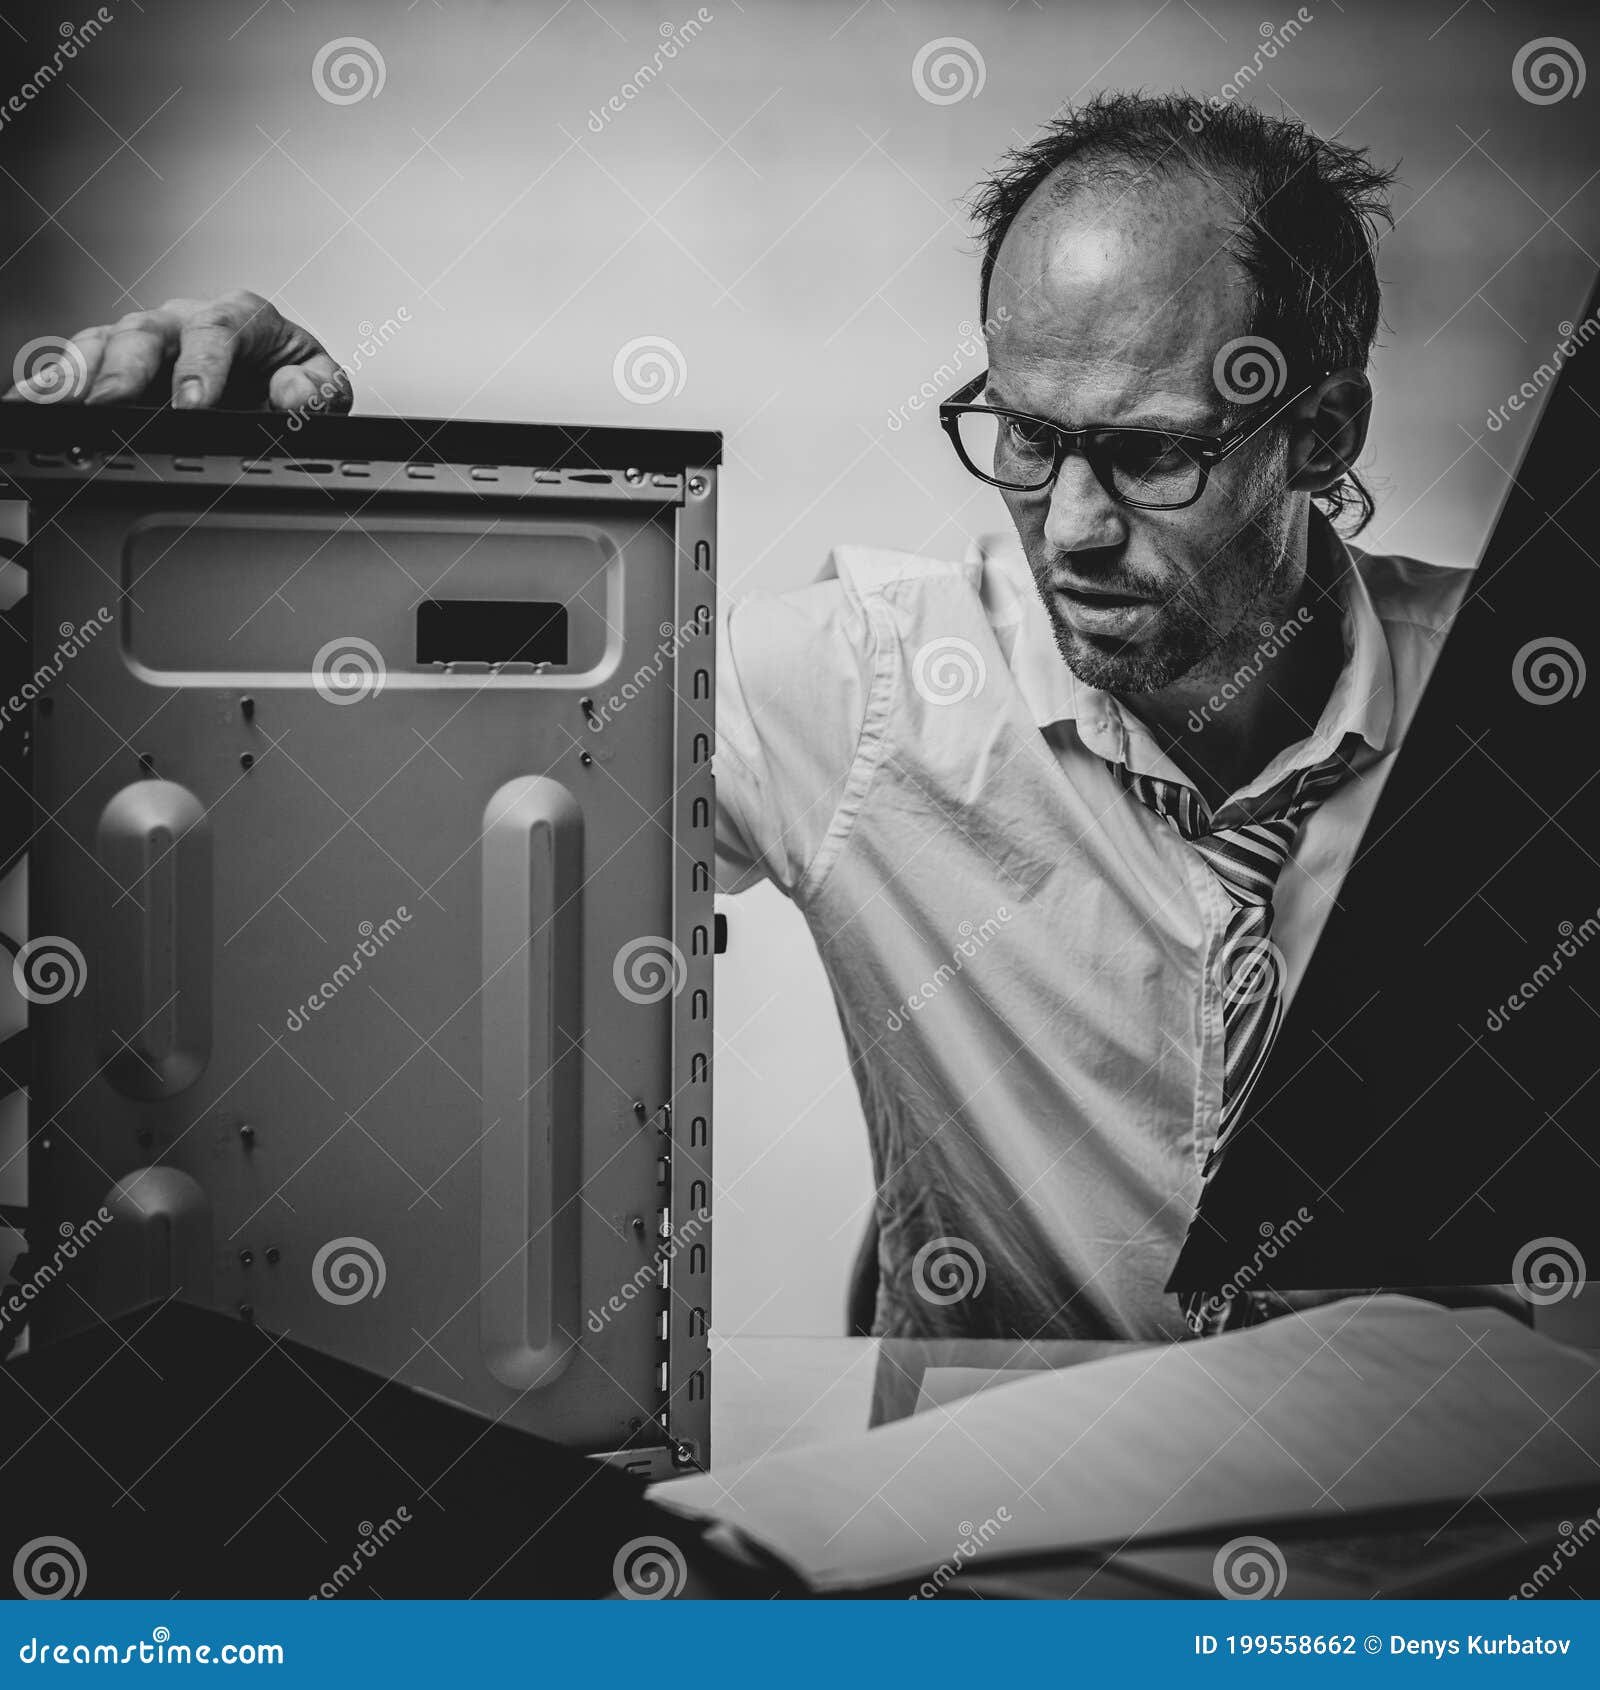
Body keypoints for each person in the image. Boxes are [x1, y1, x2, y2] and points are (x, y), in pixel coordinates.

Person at [5, 90, 1509, 1342]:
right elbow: (390, 802)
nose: (1069, 530)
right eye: (1028, 441)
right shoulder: (863, 698)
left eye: (1147, 455)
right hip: (1001, 1554)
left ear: (1322, 431)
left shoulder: (1520, 720)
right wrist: (204, 526)